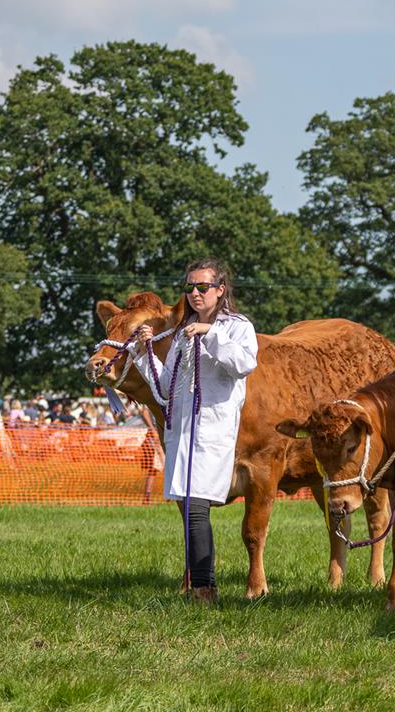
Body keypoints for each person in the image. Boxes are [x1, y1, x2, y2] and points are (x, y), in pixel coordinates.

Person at [132, 258, 259, 605]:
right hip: (182, 432)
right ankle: (201, 586)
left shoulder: (236, 326)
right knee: (189, 505)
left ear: (220, 290)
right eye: (189, 287)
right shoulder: (183, 333)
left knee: (197, 506)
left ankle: (204, 588)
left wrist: (211, 333)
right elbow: (166, 386)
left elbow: (245, 364)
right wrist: (146, 354)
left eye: (202, 287)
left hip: (211, 431)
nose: (194, 293)